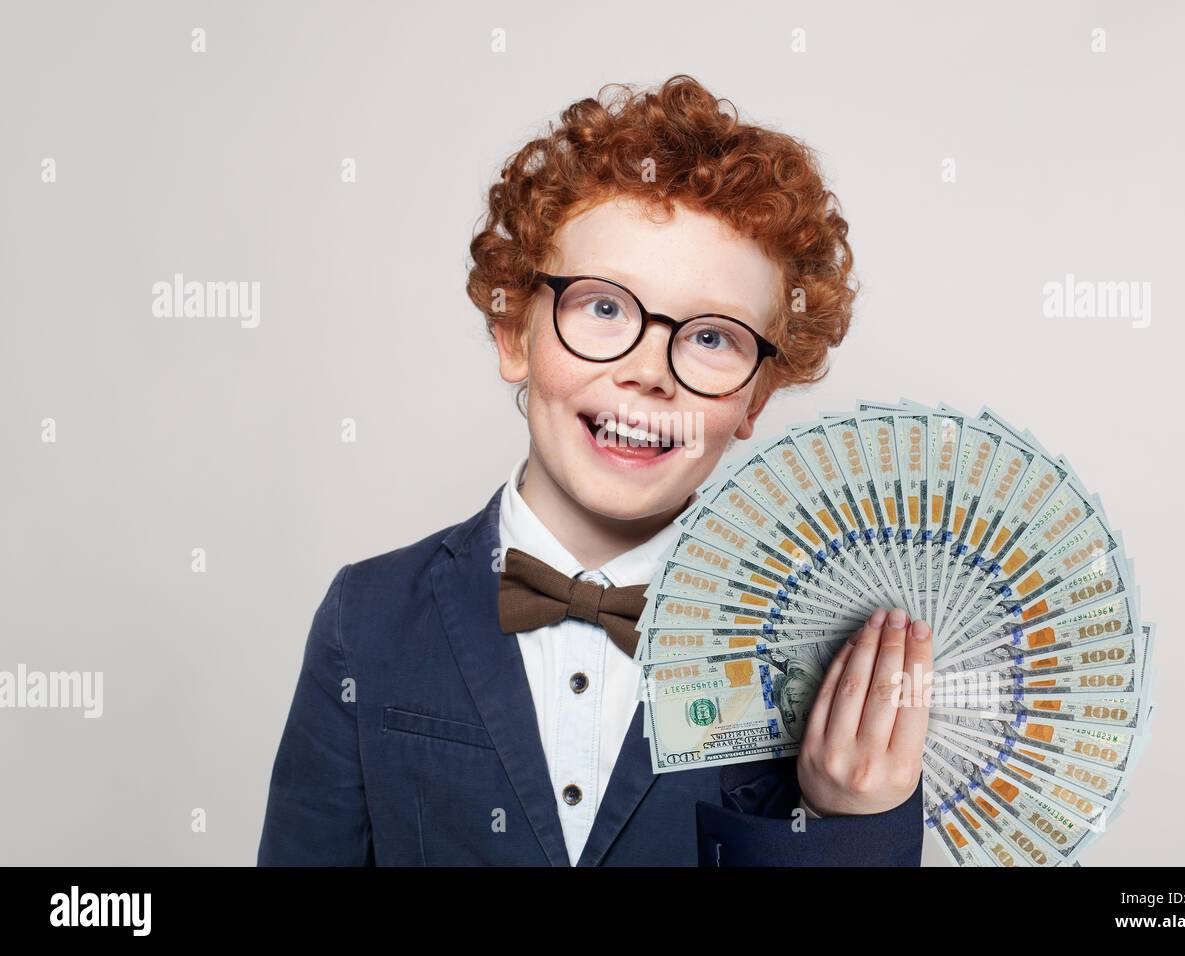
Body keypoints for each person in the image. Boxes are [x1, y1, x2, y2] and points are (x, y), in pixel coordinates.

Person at [256, 74, 933, 867]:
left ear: (756, 399)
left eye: (712, 338)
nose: (650, 371)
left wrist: (853, 822)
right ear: (515, 333)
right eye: (605, 308)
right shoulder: (365, 618)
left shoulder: (812, 654)